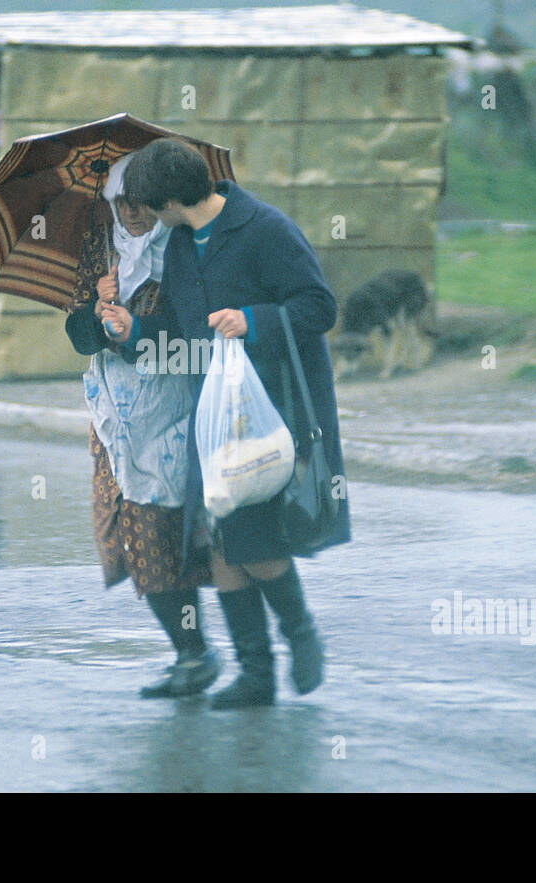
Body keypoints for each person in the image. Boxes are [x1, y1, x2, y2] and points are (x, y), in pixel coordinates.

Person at [105, 138, 352, 710]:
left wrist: (252, 320)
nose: (147, 219)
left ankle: (300, 633)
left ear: (170, 198)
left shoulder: (265, 228)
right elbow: (177, 328)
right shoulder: (183, 246)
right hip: (214, 417)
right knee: (222, 544)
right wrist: (131, 332)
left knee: (255, 543)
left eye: (149, 206)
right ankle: (256, 674)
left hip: (273, 414)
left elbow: (319, 307)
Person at [64, 152, 222, 699]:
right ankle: (189, 654)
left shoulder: (184, 246)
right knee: (127, 539)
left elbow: (189, 334)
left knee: (167, 534)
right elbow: (76, 332)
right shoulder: (99, 246)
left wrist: (137, 329)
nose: (133, 214)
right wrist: (97, 314)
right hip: (112, 419)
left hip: (170, 407)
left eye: (141, 203)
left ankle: (200, 652)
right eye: (122, 203)